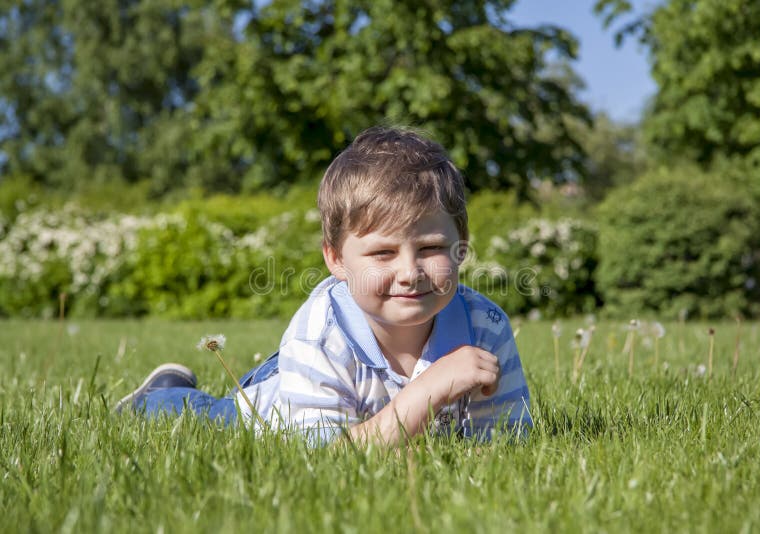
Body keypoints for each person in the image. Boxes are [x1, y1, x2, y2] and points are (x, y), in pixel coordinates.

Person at [116, 126, 532, 446]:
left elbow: (504, 442)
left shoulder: (486, 326)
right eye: (382, 254)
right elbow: (322, 456)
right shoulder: (321, 332)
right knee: (213, 416)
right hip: (280, 407)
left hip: (334, 389)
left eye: (431, 247)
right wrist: (423, 394)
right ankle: (160, 395)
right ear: (335, 259)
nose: (410, 271)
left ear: (461, 248)